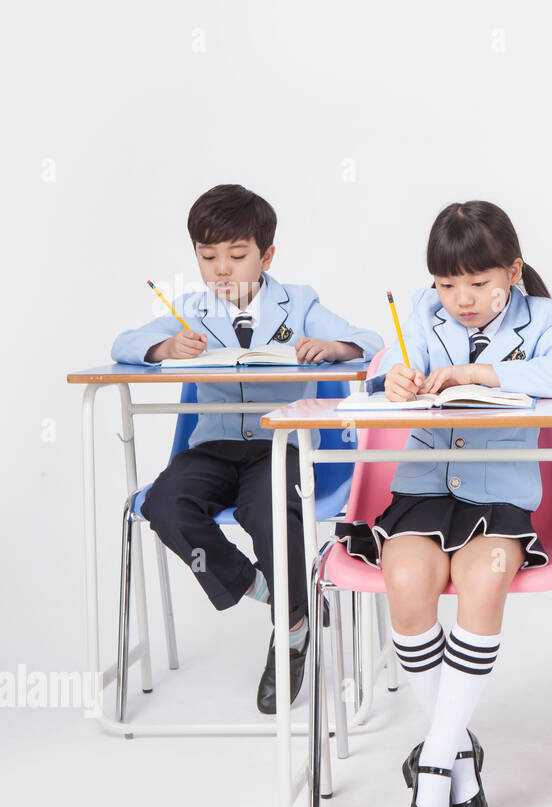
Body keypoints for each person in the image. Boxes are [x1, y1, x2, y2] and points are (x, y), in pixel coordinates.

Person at [337, 200, 552, 807]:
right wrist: (389, 381)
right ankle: (459, 764)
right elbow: (382, 371)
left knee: (482, 582)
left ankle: (432, 767)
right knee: (408, 582)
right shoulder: (422, 313)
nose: (462, 299)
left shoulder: (544, 317)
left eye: (478, 283)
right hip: (421, 488)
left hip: (500, 496)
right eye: (449, 285)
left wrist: (480, 372)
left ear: (513, 270)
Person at [111, 184, 382, 714]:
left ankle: (290, 636)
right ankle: (281, 601)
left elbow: (371, 343)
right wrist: (164, 348)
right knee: (165, 503)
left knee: (268, 510)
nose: (222, 271)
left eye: (237, 256)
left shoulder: (298, 302)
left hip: (279, 445)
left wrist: (333, 349)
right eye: (208, 257)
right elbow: (122, 345)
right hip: (211, 449)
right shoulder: (189, 309)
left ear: (266, 255)